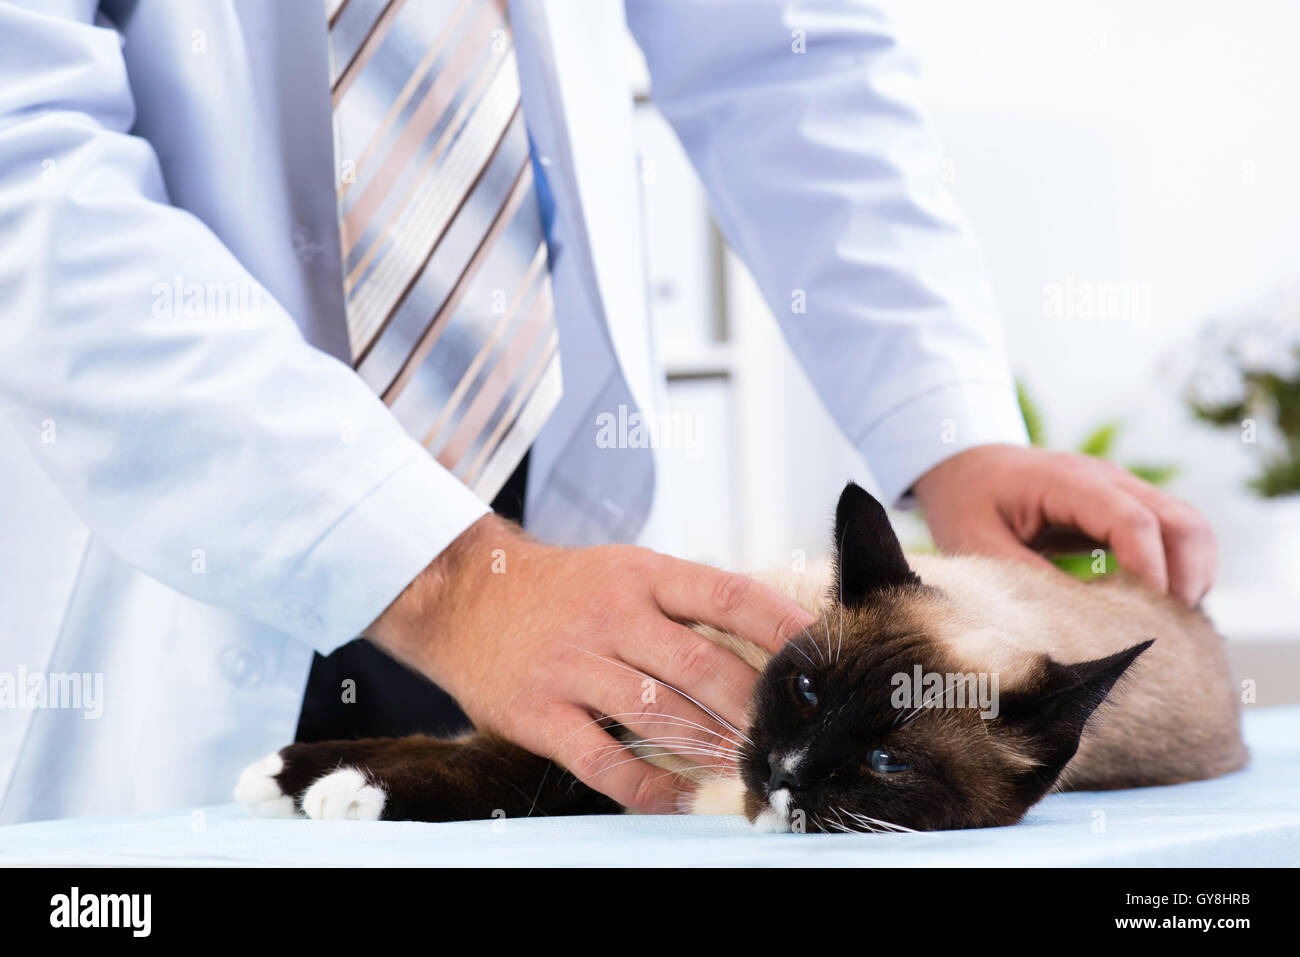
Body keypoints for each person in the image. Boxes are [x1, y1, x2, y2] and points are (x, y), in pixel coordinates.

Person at [0, 0, 1214, 824]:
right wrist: (442, 581)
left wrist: (945, 423)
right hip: (168, 527)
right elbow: (24, 162)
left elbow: (784, 50)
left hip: (552, 516)